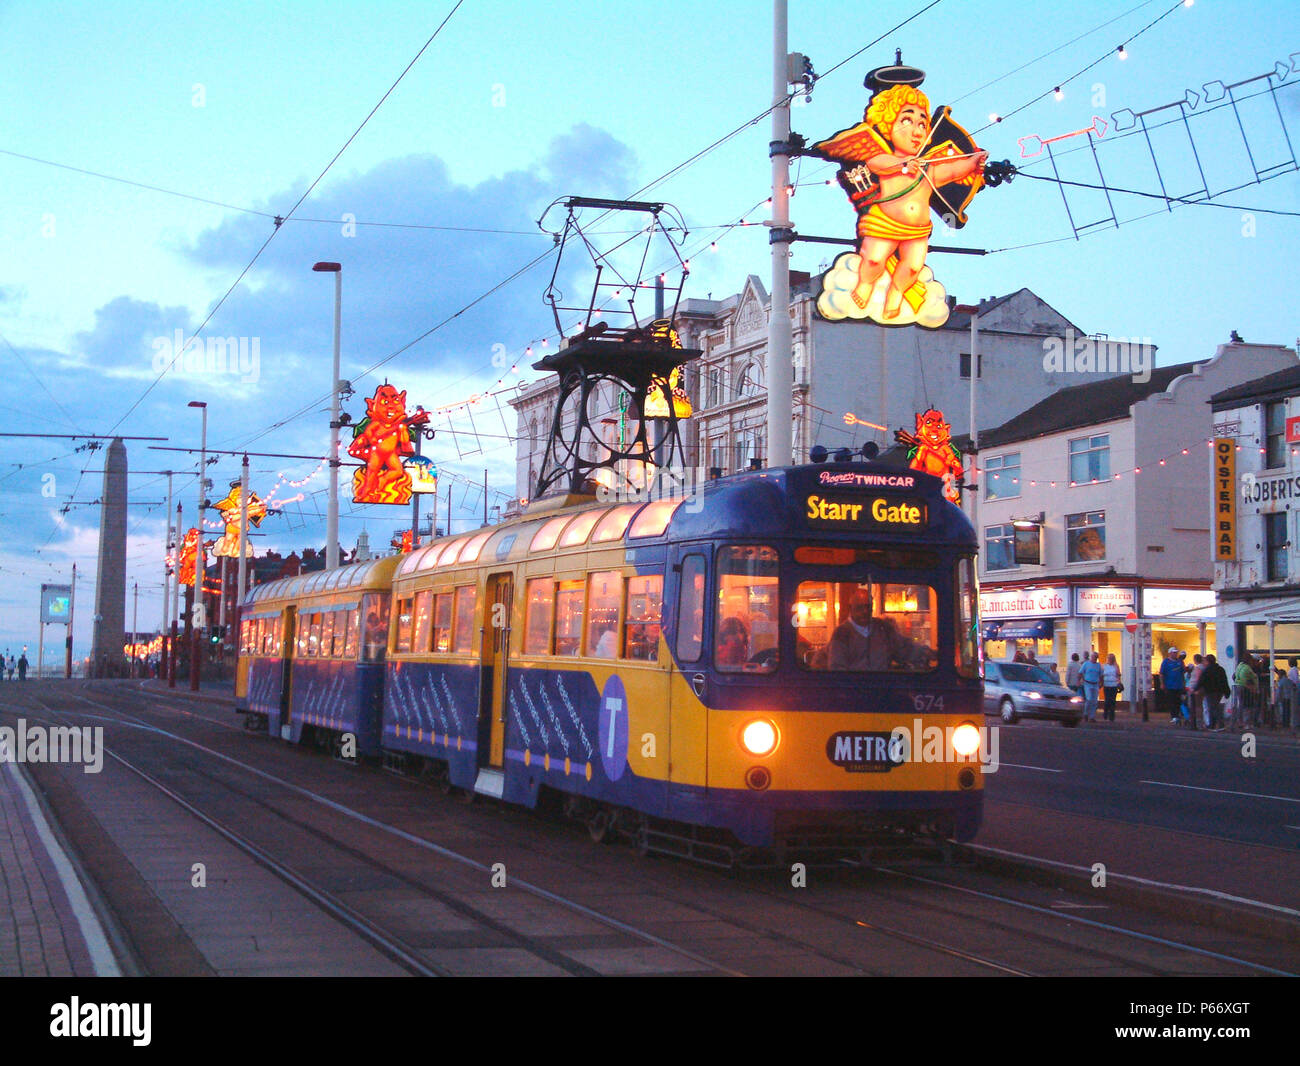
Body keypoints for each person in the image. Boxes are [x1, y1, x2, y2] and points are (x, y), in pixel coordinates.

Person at [813, 84, 987, 318]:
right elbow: (876, 164)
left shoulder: (929, 168)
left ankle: (896, 292)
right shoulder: (885, 158)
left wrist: (973, 162)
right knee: (874, 261)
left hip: (918, 230)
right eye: (906, 121)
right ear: (888, 125)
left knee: (913, 267)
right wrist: (903, 165)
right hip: (884, 223)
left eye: (922, 124)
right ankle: (864, 284)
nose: (916, 130)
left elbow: (954, 170)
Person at [827, 585, 931, 671]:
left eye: (868, 607)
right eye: (859, 607)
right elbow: (837, 668)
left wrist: (927, 653)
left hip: (882, 688)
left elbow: (903, 649)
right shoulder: (842, 633)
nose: (864, 611)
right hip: (855, 691)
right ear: (851, 608)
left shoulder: (883, 628)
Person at [1199, 653, 1231, 731]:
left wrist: (1195, 688)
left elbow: (1201, 681)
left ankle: (1217, 724)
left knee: (1212, 708)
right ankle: (1214, 724)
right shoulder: (1220, 669)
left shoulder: (1207, 670)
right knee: (1215, 707)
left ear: (1208, 661)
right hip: (1219, 692)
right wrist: (1227, 692)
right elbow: (1224, 681)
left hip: (1210, 691)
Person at [1159, 647, 1186, 725]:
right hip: (1170, 685)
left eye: (1176, 652)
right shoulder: (1166, 662)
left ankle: (1177, 716)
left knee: (1178, 701)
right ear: (1170, 653)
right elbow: (1161, 674)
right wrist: (1162, 683)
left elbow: (1182, 672)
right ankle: (1174, 716)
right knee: (1172, 701)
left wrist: (1183, 684)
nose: (1175, 654)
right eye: (1173, 652)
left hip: (1179, 685)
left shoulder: (1179, 662)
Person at [1232, 655, 1258, 728]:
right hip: (1245, 687)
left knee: (1241, 704)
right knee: (1247, 705)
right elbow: (1253, 677)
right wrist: (1253, 687)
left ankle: (1240, 721)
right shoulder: (1247, 668)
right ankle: (1247, 723)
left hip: (1238, 686)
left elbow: (1233, 676)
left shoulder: (1239, 666)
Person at [1185, 653, 1205, 731]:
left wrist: (1194, 689)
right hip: (1194, 689)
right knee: (1197, 706)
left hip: (1195, 690)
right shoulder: (1202, 667)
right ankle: (1196, 722)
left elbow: (1197, 679)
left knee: (1196, 706)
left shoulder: (1199, 668)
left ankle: (1197, 723)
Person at [1079, 652, 1101, 723]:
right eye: (1094, 657)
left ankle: (1092, 716)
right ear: (1091, 657)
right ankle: (1085, 714)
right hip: (1088, 683)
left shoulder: (1098, 665)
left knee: (1094, 701)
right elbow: (1080, 672)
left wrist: (1101, 683)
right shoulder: (1086, 664)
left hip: (1095, 684)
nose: (1095, 659)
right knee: (1089, 699)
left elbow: (1101, 675)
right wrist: (1080, 680)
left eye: (1096, 657)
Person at [1101, 653, 1120, 722]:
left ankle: (1112, 716)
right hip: (1106, 685)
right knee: (1107, 700)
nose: (1110, 660)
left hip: (1114, 685)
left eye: (1111, 658)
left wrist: (1118, 682)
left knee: (1113, 701)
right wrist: (1101, 683)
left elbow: (1118, 675)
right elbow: (1101, 675)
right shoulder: (1104, 666)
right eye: (1109, 658)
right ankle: (1106, 712)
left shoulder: (1116, 666)